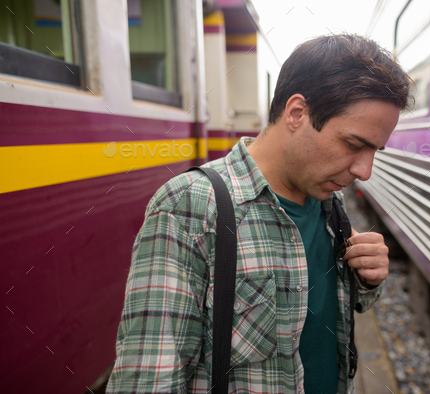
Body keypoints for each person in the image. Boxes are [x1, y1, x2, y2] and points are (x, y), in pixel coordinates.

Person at [106, 34, 412, 394]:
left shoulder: (330, 203)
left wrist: (367, 279)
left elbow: (327, 310)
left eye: (375, 151)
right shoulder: (188, 208)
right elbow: (149, 380)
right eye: (354, 145)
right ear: (297, 113)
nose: (365, 171)